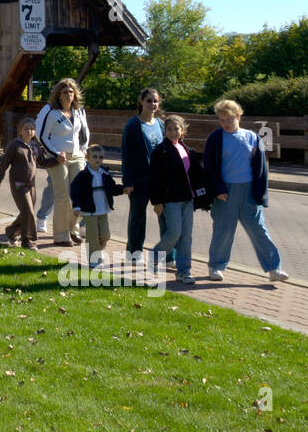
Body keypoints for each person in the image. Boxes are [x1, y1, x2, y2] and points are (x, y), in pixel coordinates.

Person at [203, 99, 289, 283]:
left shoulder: (252, 137)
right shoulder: (215, 138)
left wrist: (260, 194)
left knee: (259, 230)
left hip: (249, 191)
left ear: (238, 116)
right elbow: (209, 167)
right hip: (225, 192)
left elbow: (261, 169)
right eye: (222, 119)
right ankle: (216, 267)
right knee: (224, 231)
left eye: (229, 119)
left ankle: (274, 268)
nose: (226, 123)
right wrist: (217, 189)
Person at [147, 115, 210, 285]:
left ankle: (184, 271)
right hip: (170, 200)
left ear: (182, 130)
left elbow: (197, 176)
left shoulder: (188, 150)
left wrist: (204, 198)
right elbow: (154, 178)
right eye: (170, 129)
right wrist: (157, 202)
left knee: (186, 236)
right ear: (165, 131)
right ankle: (154, 255)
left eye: (177, 129)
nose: (173, 132)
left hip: (187, 200)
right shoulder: (160, 151)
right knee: (174, 233)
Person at [34, 78, 90, 246]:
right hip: (59, 158)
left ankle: (73, 229)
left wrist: (83, 150)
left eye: (71, 92)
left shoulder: (79, 112)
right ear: (58, 95)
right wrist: (56, 153)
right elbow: (42, 136)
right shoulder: (52, 113)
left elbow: (85, 133)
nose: (68, 95)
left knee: (80, 194)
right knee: (62, 196)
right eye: (65, 92)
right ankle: (61, 235)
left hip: (77, 156)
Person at [120, 87, 171, 261]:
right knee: (138, 217)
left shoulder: (160, 124)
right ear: (141, 102)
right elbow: (126, 154)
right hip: (139, 179)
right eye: (149, 100)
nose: (153, 104)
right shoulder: (133, 125)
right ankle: (134, 252)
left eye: (155, 101)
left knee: (165, 216)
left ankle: (168, 254)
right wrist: (127, 181)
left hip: (159, 179)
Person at [69, 144, 125, 265]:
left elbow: (112, 188)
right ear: (87, 158)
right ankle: (92, 259)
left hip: (103, 209)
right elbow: (75, 191)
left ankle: (98, 252)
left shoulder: (104, 173)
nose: (98, 160)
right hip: (89, 210)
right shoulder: (83, 176)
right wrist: (77, 206)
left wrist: (123, 189)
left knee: (105, 235)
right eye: (94, 157)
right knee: (92, 236)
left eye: (100, 157)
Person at [0, 117, 40, 248]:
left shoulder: (35, 145)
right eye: (26, 129)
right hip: (18, 184)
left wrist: (57, 160)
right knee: (29, 212)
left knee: (26, 212)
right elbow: (4, 163)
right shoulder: (14, 145)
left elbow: (42, 162)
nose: (30, 131)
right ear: (20, 130)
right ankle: (29, 242)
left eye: (32, 129)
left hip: (31, 185)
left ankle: (12, 231)